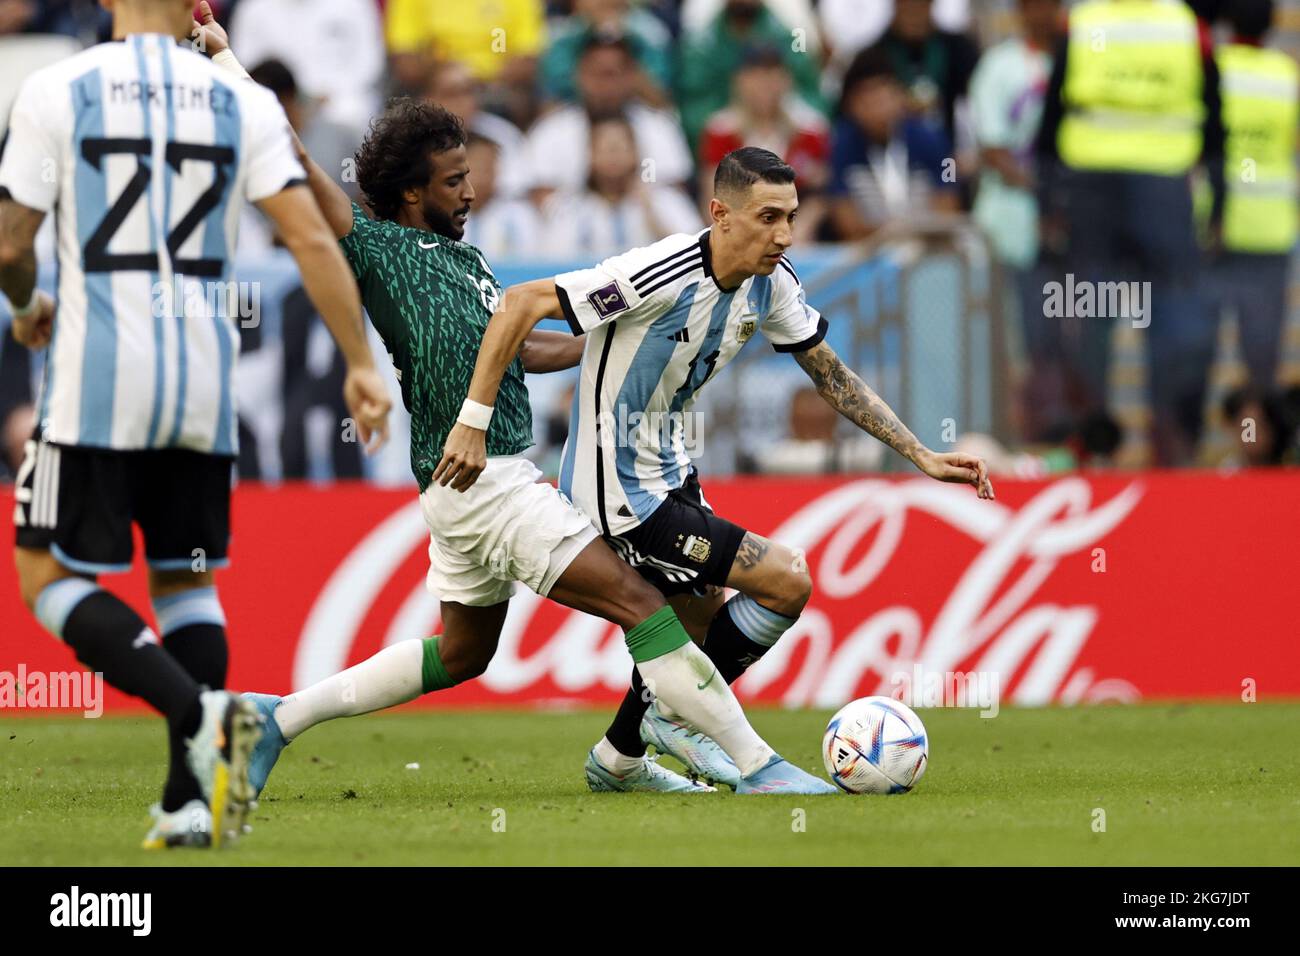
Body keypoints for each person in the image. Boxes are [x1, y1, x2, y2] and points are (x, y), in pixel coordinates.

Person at [195, 13, 836, 799]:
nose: (472, 190)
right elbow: (289, 155)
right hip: (485, 479)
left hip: (463, 487)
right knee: (642, 602)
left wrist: (618, 343)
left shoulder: (467, 261)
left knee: (462, 654)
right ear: (409, 191)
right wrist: (227, 58)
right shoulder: (373, 245)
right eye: (455, 181)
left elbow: (527, 350)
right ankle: (754, 765)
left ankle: (275, 719)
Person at [438, 146, 994, 792]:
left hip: (674, 473)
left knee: (695, 635)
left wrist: (921, 453)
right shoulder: (659, 272)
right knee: (786, 581)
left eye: (789, 217)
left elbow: (830, 375)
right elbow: (519, 303)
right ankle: (739, 756)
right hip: (619, 493)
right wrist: (471, 420)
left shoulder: (771, 283)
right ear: (720, 214)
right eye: (766, 218)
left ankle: (618, 760)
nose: (783, 235)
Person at [0, 0, 392, 849]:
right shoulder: (237, 98)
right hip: (201, 392)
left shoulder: (56, 87)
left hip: (93, 383)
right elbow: (310, 237)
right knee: (185, 583)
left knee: (42, 576)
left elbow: (8, 242)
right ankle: (188, 800)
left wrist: (28, 301)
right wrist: (360, 362)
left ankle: (203, 714)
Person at [1035, 0, 1226, 466]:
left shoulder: (1084, 23)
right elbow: (1217, 127)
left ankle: (1092, 453)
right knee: (1174, 329)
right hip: (1162, 196)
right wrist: (1218, 206)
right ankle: (1173, 453)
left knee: (1089, 325)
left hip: (1092, 198)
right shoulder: (1185, 26)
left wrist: (1048, 205)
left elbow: (1050, 124)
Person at [968, 0, 1063, 440]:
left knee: (1059, 346)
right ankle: (1017, 441)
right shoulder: (1000, 66)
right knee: (1013, 348)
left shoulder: (1074, 59)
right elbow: (991, 147)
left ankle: (1058, 441)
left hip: (1065, 232)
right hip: (1008, 229)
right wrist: (1046, 196)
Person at [1201, 0, 1297, 395]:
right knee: (1261, 358)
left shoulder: (1211, 69)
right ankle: (1262, 447)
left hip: (1209, 230)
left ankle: (1187, 453)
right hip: (1268, 231)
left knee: (1196, 352)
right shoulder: (1286, 76)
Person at [521, 32, 692, 204]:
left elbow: (675, 196)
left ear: (632, 76)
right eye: (597, 74)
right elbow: (541, 200)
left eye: (613, 74)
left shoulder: (659, 128)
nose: (606, 85)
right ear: (579, 75)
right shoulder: (551, 130)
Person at [697, 43, 830, 240]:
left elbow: (821, 194)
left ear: (787, 79)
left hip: (796, 234)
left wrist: (800, 226)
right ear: (739, 81)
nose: (765, 84)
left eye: (772, 74)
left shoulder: (809, 130)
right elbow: (712, 194)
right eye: (755, 76)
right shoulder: (722, 131)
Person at [828, 48, 961, 241]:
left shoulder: (933, 139)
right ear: (851, 106)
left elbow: (949, 204)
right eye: (867, 101)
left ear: (900, 97)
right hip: (870, 253)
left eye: (883, 98)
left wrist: (916, 237)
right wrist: (889, 236)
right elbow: (845, 220)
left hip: (927, 251)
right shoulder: (841, 146)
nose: (877, 109)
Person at [542, 114, 701, 259]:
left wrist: (650, 212)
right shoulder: (570, 206)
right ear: (590, 156)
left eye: (620, 148)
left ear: (635, 153)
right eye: (605, 149)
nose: (613, 156)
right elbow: (554, 259)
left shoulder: (664, 199)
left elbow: (693, 254)